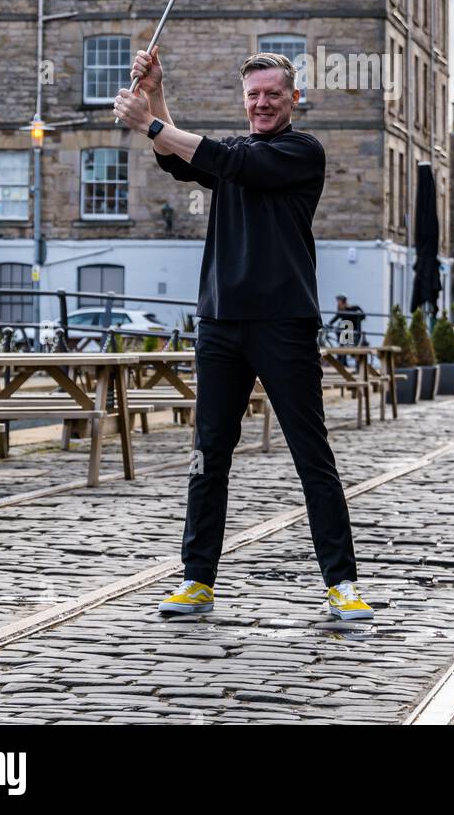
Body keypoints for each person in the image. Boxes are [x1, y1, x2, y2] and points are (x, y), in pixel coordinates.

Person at [113, 46, 373, 622]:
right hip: (221, 323)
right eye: (253, 95)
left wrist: (148, 118)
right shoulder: (231, 152)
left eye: (272, 94)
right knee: (208, 455)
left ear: (293, 98)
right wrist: (155, 90)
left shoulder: (302, 151)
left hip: (284, 322)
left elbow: (222, 159)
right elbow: (177, 154)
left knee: (312, 455)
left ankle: (343, 585)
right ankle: (196, 580)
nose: (261, 103)